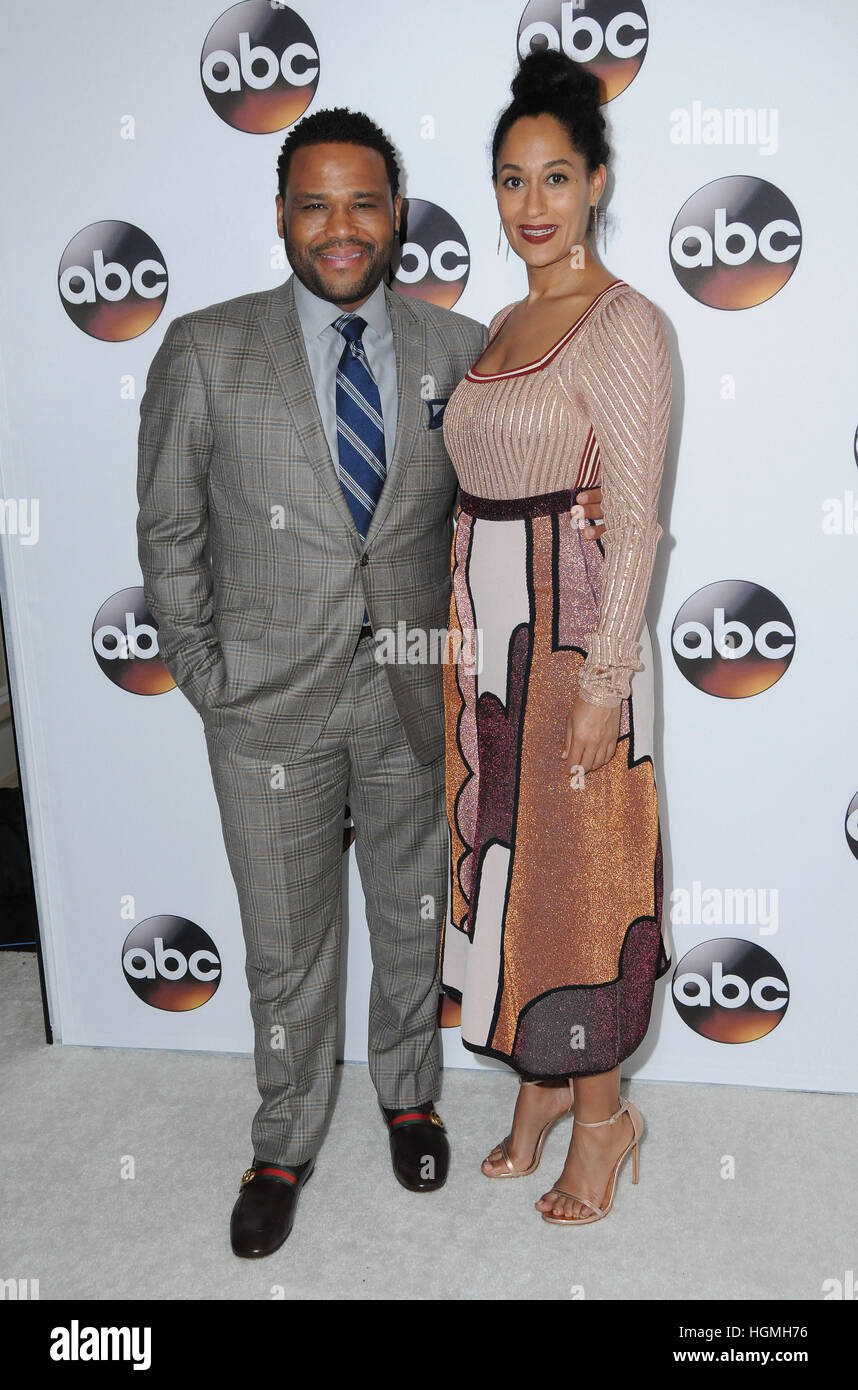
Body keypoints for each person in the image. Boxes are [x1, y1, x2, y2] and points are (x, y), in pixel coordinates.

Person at [136, 102, 611, 1255]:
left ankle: (411, 1096)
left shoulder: (462, 349)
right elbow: (168, 533)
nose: (340, 227)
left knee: (410, 921)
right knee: (285, 940)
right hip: (266, 707)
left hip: (414, 690)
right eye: (315, 204)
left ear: (397, 214)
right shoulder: (205, 348)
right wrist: (208, 678)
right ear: (284, 219)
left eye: (363, 202)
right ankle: (282, 1140)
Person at [440, 49, 673, 1226]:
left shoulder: (627, 326)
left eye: (555, 179)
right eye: (512, 180)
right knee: (510, 869)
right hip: (489, 645)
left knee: (584, 885)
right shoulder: (501, 317)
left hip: (576, 645)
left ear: (596, 184)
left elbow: (632, 520)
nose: (532, 205)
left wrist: (605, 681)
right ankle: (537, 1088)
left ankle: (603, 1116)